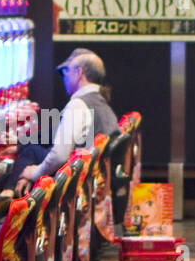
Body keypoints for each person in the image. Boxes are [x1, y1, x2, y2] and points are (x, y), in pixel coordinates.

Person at [15, 48, 118, 194]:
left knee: (31, 153)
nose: (64, 78)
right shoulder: (102, 103)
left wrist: (34, 173)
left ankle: (6, 200)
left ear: (78, 73)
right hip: (98, 180)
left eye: (66, 72)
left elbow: (59, 156)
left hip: (79, 184)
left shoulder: (78, 104)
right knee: (33, 151)